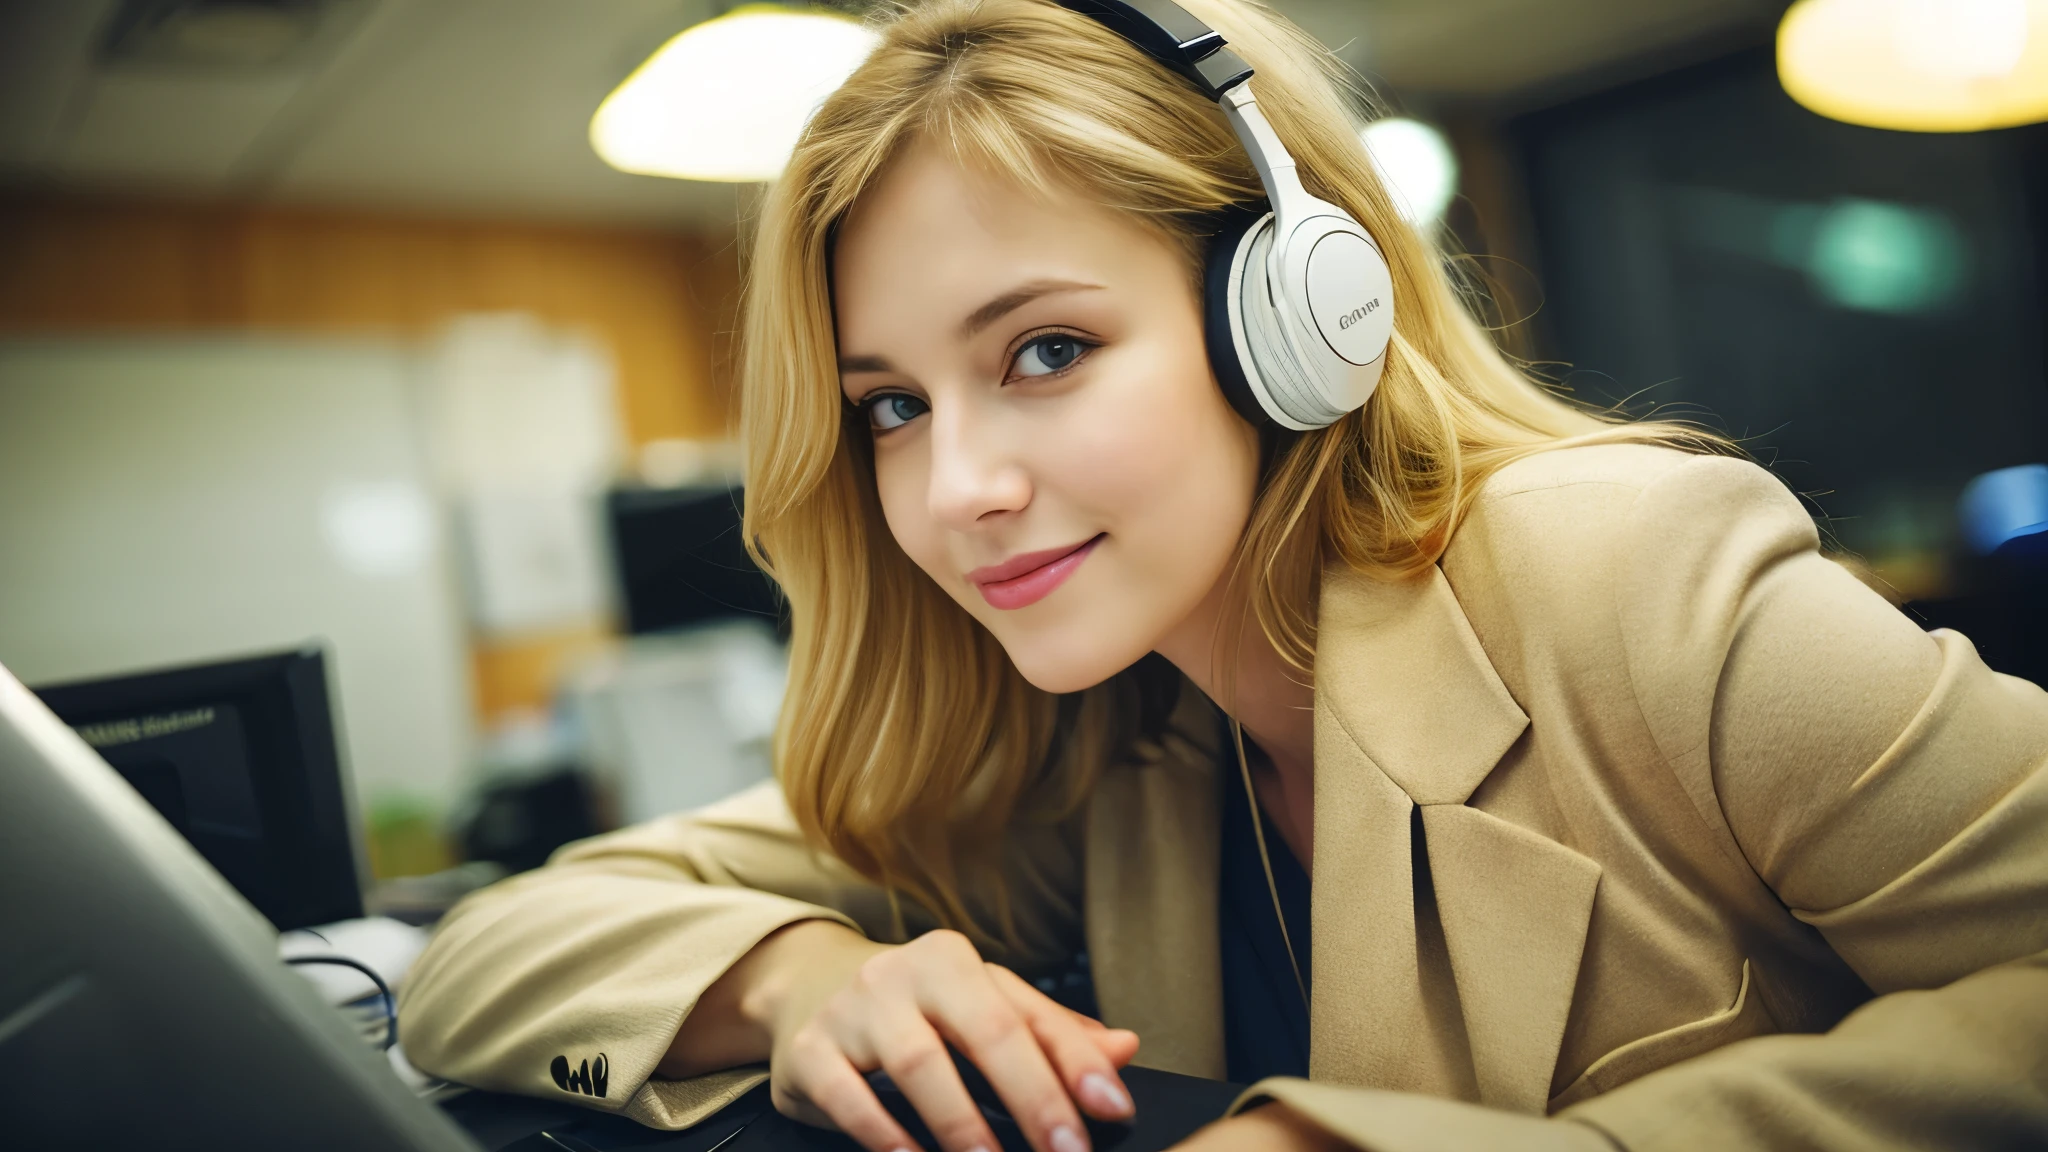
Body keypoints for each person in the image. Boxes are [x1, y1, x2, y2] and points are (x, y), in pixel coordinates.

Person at [398, 1, 2048, 1149]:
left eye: (1045, 350)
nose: (955, 490)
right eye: (891, 406)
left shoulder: (1630, 577)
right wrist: (804, 983)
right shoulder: (1071, 729)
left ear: (1295, 318)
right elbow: (478, 967)